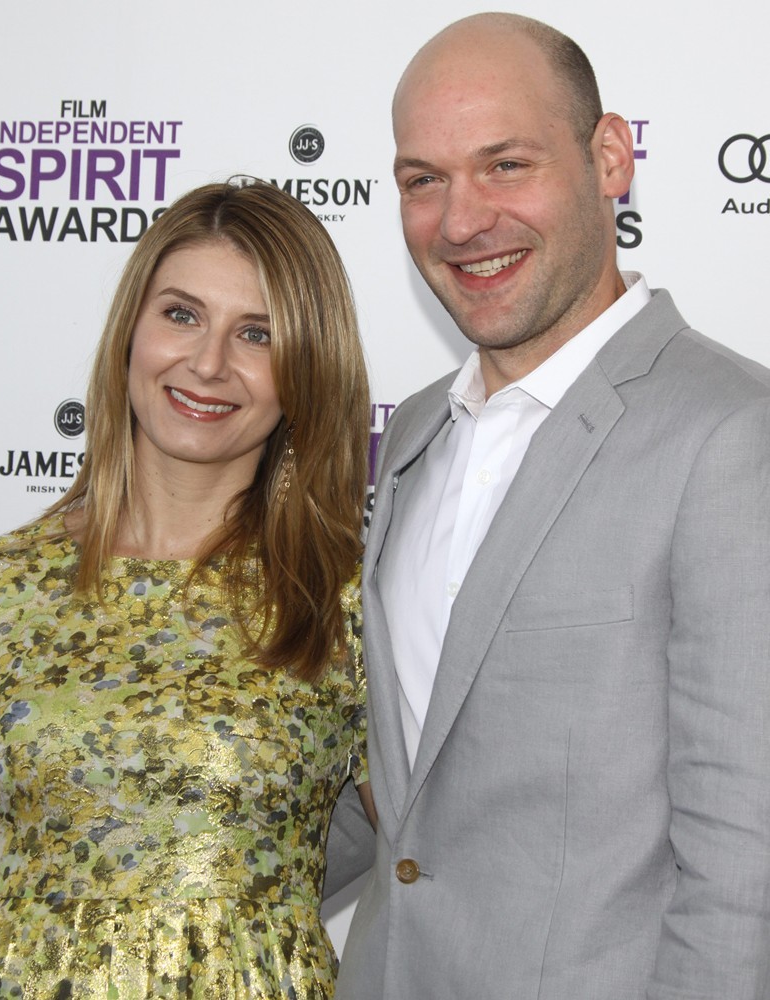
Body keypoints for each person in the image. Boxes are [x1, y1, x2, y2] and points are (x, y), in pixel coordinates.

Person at [326, 12, 770, 1000]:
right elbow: (405, 785)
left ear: (608, 157)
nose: (460, 222)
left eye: (505, 165)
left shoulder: (732, 435)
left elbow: (745, 868)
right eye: (422, 180)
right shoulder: (414, 433)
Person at [0, 178, 374, 998]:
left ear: (307, 369)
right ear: (131, 329)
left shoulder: (348, 600)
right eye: (181, 315)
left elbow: (442, 869)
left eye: (257, 334)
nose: (208, 363)